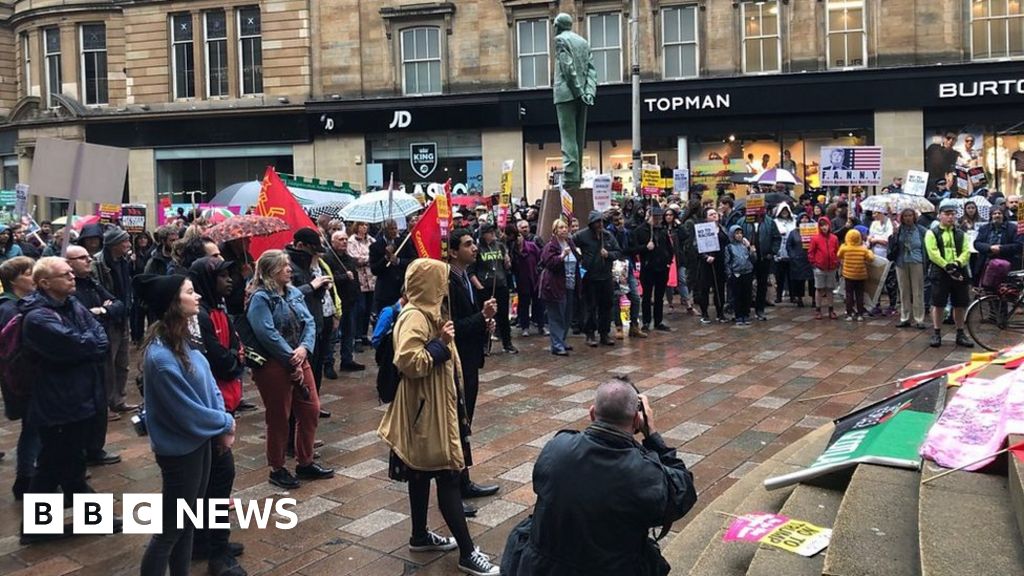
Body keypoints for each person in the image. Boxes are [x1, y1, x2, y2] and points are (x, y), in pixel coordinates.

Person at [377, 259, 500, 576]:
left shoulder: (432, 313)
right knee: (448, 478)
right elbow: (408, 361)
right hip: (426, 412)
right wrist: (440, 344)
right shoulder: (415, 317)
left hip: (433, 409)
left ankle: (419, 535)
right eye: (441, 280)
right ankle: (467, 552)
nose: (446, 286)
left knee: (420, 474)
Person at [502, 378, 697, 575]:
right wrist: (652, 436)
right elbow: (684, 493)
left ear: (592, 413)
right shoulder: (645, 474)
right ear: (638, 420)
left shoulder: (556, 447)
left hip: (542, 567)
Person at [134, 273, 237, 576]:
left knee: (188, 522)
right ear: (173, 304)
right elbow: (186, 411)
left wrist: (220, 421)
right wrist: (225, 422)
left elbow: (209, 386)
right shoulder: (161, 357)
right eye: (190, 292)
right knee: (170, 530)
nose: (198, 297)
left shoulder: (182, 341)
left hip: (200, 442)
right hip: (181, 451)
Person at [19, 257, 110, 543]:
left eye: (72, 273)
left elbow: (99, 337)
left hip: (79, 397)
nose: (72, 277)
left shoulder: (71, 304)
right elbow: (79, 344)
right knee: (51, 465)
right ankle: (35, 529)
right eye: (65, 274)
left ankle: (88, 517)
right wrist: (89, 342)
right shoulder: (38, 317)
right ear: (45, 283)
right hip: (58, 402)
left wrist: (89, 341)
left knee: (71, 462)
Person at [246, 249, 334, 488]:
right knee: (279, 416)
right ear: (271, 271)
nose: (289, 270)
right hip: (274, 364)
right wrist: (290, 357)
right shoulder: (260, 298)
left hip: (299, 356)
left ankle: (305, 462)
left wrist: (304, 349)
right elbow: (267, 333)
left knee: (310, 409)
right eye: (284, 266)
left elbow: (309, 322)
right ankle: (277, 467)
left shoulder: (294, 292)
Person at [185, 257, 248, 576]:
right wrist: (234, 362)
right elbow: (216, 359)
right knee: (216, 480)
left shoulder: (220, 309)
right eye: (222, 276)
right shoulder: (199, 318)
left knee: (212, 482)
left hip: (224, 400)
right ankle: (215, 553)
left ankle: (206, 541)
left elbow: (236, 346)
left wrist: (236, 359)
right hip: (212, 409)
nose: (229, 280)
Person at [447, 229, 501, 515]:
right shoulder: (450, 282)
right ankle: (453, 487)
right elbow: (454, 326)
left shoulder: (466, 277)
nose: (474, 248)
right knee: (457, 422)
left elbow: (472, 322)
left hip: (471, 360)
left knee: (466, 421)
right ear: (453, 251)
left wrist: (485, 323)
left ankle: (465, 479)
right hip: (458, 362)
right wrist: (481, 317)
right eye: (468, 245)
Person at [66, 245, 124, 465]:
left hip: (101, 349)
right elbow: (81, 322)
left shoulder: (93, 283)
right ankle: (79, 454)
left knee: (101, 400)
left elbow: (118, 304)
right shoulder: (70, 292)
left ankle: (95, 449)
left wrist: (103, 310)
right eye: (81, 258)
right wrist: (101, 313)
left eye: (87, 257)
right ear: (68, 263)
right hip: (83, 354)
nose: (88, 260)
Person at [285, 227, 340, 407]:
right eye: (312, 250)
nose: (315, 254)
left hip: (317, 320)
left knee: (316, 367)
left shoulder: (308, 263)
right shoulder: (288, 265)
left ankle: (313, 403)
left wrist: (320, 288)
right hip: (298, 328)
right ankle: (304, 405)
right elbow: (286, 296)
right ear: (301, 246)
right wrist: (311, 286)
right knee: (303, 371)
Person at [0, 256, 39, 499]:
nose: (33, 277)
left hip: (29, 379)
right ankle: (25, 477)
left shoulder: (24, 303)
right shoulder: (8, 308)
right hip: (23, 381)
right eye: (28, 273)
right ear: (14, 280)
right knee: (33, 428)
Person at [92, 227, 137, 414]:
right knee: (108, 363)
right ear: (115, 244)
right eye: (125, 241)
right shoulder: (98, 263)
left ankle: (119, 399)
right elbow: (100, 290)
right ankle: (107, 403)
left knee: (122, 362)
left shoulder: (124, 260)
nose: (128, 244)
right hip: (108, 318)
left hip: (123, 315)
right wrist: (110, 307)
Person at [552, 12, 597, 190]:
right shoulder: (584, 43)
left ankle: (571, 176)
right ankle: (576, 178)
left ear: (557, 25)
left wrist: (578, 92)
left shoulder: (560, 40)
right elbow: (592, 70)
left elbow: (567, 67)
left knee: (568, 137)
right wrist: (589, 92)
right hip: (583, 95)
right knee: (579, 138)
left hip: (566, 94)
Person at [926, 200, 974, 347]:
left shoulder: (961, 234)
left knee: (960, 304)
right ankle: (936, 333)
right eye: (947, 214)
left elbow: (966, 251)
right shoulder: (932, 233)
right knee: (938, 304)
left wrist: (957, 263)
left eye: (953, 214)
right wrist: (946, 265)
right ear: (940, 215)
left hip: (959, 272)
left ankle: (960, 333)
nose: (950, 217)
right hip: (940, 273)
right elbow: (932, 252)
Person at [573, 210, 622, 346]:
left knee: (606, 305)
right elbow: (571, 245)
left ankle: (604, 333)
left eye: (601, 221)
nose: (600, 224)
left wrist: (609, 255)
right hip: (590, 277)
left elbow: (618, 251)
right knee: (590, 307)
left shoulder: (608, 236)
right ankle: (590, 333)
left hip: (605, 276)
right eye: (597, 222)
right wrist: (580, 258)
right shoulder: (582, 235)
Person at [470, 223, 517, 354]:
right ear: (483, 234)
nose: (493, 234)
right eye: (489, 232)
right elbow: (471, 271)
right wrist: (480, 288)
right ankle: (485, 345)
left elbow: (507, 267)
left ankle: (507, 343)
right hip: (484, 288)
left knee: (503, 316)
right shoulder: (477, 249)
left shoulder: (500, 246)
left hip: (501, 286)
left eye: (493, 231)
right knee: (486, 317)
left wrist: (507, 261)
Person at [324, 228, 365, 373]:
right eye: (340, 239)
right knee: (332, 336)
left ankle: (347, 360)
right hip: (336, 302)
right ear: (332, 242)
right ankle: (328, 363)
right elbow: (327, 280)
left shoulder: (348, 258)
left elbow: (354, 279)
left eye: (346, 239)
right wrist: (343, 277)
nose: (344, 242)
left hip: (350, 300)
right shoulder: (327, 258)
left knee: (349, 332)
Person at [540, 219, 581, 355]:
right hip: (554, 286)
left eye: (565, 227)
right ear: (555, 231)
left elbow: (577, 258)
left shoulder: (570, 243)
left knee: (567, 315)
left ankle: (562, 340)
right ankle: (557, 345)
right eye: (561, 228)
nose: (564, 230)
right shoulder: (550, 246)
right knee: (556, 315)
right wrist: (562, 256)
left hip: (570, 284)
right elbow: (549, 263)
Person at [631, 205, 674, 332]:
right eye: (655, 217)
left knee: (659, 296)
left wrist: (668, 262)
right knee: (647, 296)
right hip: (648, 268)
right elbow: (633, 249)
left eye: (659, 217)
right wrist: (645, 247)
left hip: (662, 267)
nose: (658, 220)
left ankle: (658, 321)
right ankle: (646, 321)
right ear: (649, 216)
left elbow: (669, 248)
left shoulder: (662, 230)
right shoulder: (640, 231)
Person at [890, 209, 928, 329]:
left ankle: (919, 318)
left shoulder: (921, 230)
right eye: (905, 216)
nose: (908, 218)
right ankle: (905, 317)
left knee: (918, 291)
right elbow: (892, 247)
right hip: (901, 262)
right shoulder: (899, 229)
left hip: (917, 261)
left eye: (910, 215)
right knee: (903, 290)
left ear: (914, 216)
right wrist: (894, 235)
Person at [370, 219, 415, 314]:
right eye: (391, 229)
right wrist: (386, 258)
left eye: (396, 228)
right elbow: (374, 270)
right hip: (385, 292)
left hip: (401, 289)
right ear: (384, 230)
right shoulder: (375, 246)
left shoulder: (403, 242)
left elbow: (413, 261)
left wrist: (398, 261)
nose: (394, 231)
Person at [693, 207, 729, 324]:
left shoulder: (723, 229)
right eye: (711, 214)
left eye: (715, 214)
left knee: (719, 288)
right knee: (705, 289)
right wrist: (705, 256)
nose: (714, 216)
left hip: (720, 262)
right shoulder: (702, 229)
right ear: (706, 218)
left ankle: (720, 312)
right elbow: (696, 245)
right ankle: (705, 313)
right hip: (706, 263)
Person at [512, 219, 545, 337]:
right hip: (522, 281)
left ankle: (541, 326)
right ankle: (525, 327)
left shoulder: (532, 245)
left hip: (535, 279)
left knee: (539, 303)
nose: (519, 238)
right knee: (524, 304)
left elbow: (541, 259)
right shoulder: (513, 250)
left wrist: (539, 271)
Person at [837, 228, 875, 321]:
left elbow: (839, 255)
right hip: (860, 276)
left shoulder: (844, 248)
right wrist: (869, 251)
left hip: (848, 276)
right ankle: (860, 314)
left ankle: (849, 314)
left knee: (849, 294)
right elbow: (871, 259)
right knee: (859, 295)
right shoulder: (863, 249)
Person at [973, 207, 1021, 280]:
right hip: (986, 263)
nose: (997, 215)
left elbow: (1019, 245)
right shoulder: (984, 228)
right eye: (994, 213)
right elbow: (977, 243)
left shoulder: (1013, 228)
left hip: (1006, 262)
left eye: (999, 213)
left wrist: (1000, 248)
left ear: (1004, 215)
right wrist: (989, 248)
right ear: (991, 216)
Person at [808, 216, 841, 320]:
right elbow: (811, 252)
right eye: (821, 225)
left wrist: (836, 262)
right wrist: (814, 263)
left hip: (831, 267)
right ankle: (818, 309)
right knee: (819, 288)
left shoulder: (834, 238)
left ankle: (831, 309)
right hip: (819, 268)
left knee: (830, 289)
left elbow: (837, 251)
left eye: (825, 225)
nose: (824, 227)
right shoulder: (815, 238)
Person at [868, 210, 898, 316]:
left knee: (890, 283)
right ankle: (876, 305)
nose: (874, 215)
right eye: (873, 213)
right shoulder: (874, 224)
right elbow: (870, 238)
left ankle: (892, 305)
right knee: (876, 281)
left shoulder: (890, 224)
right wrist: (874, 240)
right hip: (876, 256)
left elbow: (887, 240)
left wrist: (876, 240)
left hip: (888, 257)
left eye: (876, 213)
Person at [725, 225, 757, 325]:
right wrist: (730, 274)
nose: (739, 235)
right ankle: (738, 315)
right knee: (737, 295)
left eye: (740, 233)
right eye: (736, 233)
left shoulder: (745, 246)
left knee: (747, 295)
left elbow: (753, 259)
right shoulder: (729, 247)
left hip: (747, 272)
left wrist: (751, 249)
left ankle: (746, 314)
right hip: (736, 273)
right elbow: (727, 262)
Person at [785, 213, 815, 307]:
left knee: (812, 280)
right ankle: (799, 297)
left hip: (810, 258)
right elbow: (789, 245)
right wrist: (792, 256)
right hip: (798, 259)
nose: (805, 220)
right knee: (799, 280)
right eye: (802, 218)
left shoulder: (813, 231)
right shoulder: (793, 232)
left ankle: (814, 298)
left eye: (807, 218)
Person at [770, 203, 797, 304]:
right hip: (779, 252)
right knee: (779, 276)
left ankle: (792, 296)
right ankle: (778, 296)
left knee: (791, 276)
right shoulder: (775, 222)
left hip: (791, 252)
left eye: (786, 211)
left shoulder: (794, 221)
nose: (784, 213)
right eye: (782, 211)